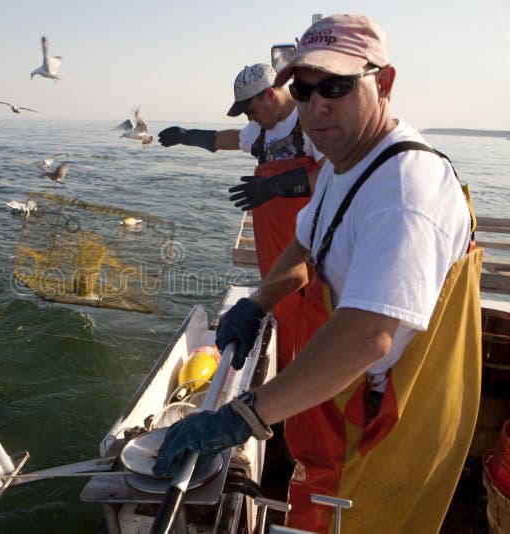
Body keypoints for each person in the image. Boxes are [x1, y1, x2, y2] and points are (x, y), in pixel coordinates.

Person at [153, 14, 481, 533]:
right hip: (339, 389)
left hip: (382, 407)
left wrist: (243, 417)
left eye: (337, 85)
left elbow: (366, 338)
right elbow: (305, 242)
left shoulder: (405, 192)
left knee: (354, 513)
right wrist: (259, 302)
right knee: (313, 485)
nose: (317, 104)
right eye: (305, 91)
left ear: (385, 82)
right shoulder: (341, 160)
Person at [159, 63, 325, 371]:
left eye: (251, 111)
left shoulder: (313, 121)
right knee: (282, 313)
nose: (251, 120)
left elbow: (331, 175)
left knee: (314, 313)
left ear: (270, 95)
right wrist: (187, 136)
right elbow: (230, 139)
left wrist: (277, 186)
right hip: (273, 250)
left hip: (310, 247)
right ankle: (286, 380)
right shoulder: (261, 130)